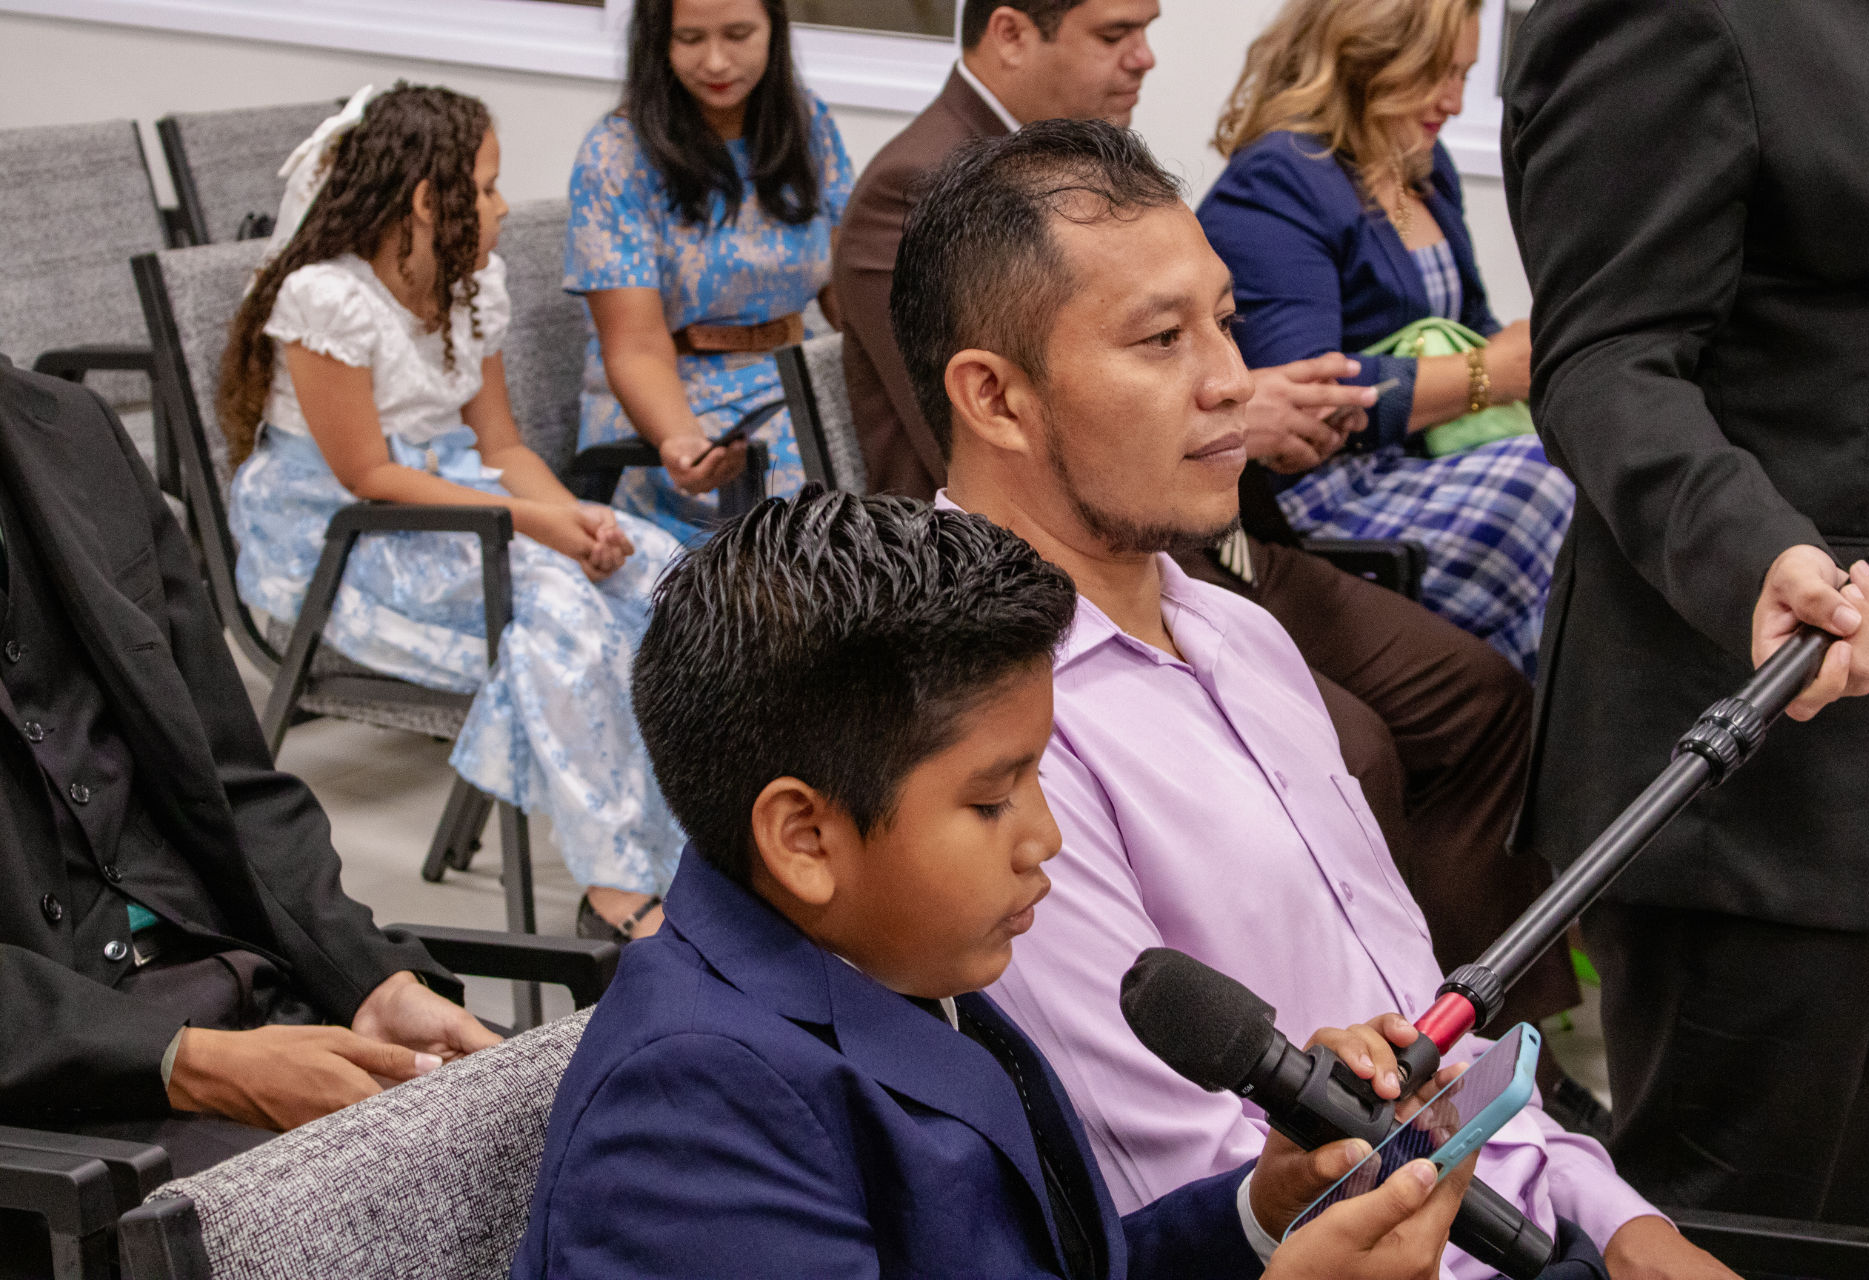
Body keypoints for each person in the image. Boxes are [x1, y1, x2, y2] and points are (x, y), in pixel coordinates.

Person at [891, 119, 1739, 1279]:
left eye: (1226, 323)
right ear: (995, 397)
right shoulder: (987, 730)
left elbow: (1429, 1045)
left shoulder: (1239, 633)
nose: (1233, 380)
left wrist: (1629, 1224)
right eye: (1160, 340)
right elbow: (1193, 1191)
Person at [832, 0, 1581, 1073]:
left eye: (1222, 323)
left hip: (1191, 556)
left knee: (1472, 691)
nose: (1145, 56)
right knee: (1357, 736)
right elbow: (971, 453)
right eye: (1113, 32)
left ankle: (1486, 1038)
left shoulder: (1131, 205)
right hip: (1078, 562)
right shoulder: (919, 192)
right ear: (1009, 32)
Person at [513, 486, 1483, 1280]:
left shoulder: (895, 965)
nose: (1046, 836)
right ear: (804, 836)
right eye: (992, 800)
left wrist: (1260, 1213)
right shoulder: (692, 1118)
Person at [1504, 0, 1869, 1231]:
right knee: (1738, 1236)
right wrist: (1755, 552)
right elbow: (1604, 356)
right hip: (1763, 775)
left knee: (1855, 1230)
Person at [0, 357, 499, 1181]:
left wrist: (370, 980)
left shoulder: (75, 431)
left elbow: (230, 781)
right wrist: (190, 1062)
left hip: (249, 988)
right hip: (56, 1110)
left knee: (557, 1156)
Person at [219, 84, 686, 945]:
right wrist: (529, 526)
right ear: (431, 201)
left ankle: (693, 850)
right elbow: (368, 474)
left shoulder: (473, 285)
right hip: (341, 539)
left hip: (461, 500)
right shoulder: (328, 300)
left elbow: (502, 445)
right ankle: (616, 883)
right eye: (489, 186)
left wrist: (574, 516)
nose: (504, 206)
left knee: (661, 572)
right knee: (558, 617)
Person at [1197, 0, 1570, 678]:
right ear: (1367, 58)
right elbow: (1311, 397)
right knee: (1549, 486)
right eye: (1438, 74)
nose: (1456, 101)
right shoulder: (1281, 176)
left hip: (1420, 463)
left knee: (1584, 464)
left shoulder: (1420, 166)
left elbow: (1472, 324)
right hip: (1332, 498)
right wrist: (1494, 374)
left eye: (1464, 75)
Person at [565, 0, 853, 545]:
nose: (717, 62)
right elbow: (635, 349)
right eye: (690, 39)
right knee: (815, 513)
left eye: (738, 34)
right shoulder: (614, 155)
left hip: (793, 378)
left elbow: (845, 294)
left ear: (774, 30)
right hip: (675, 401)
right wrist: (679, 441)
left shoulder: (809, 123)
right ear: (657, 42)